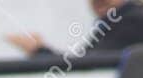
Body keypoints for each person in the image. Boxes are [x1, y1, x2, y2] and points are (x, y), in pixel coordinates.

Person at [8, 1, 143, 59]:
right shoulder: (112, 24)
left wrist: (37, 50)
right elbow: (80, 61)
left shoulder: (133, 21)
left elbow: (85, 64)